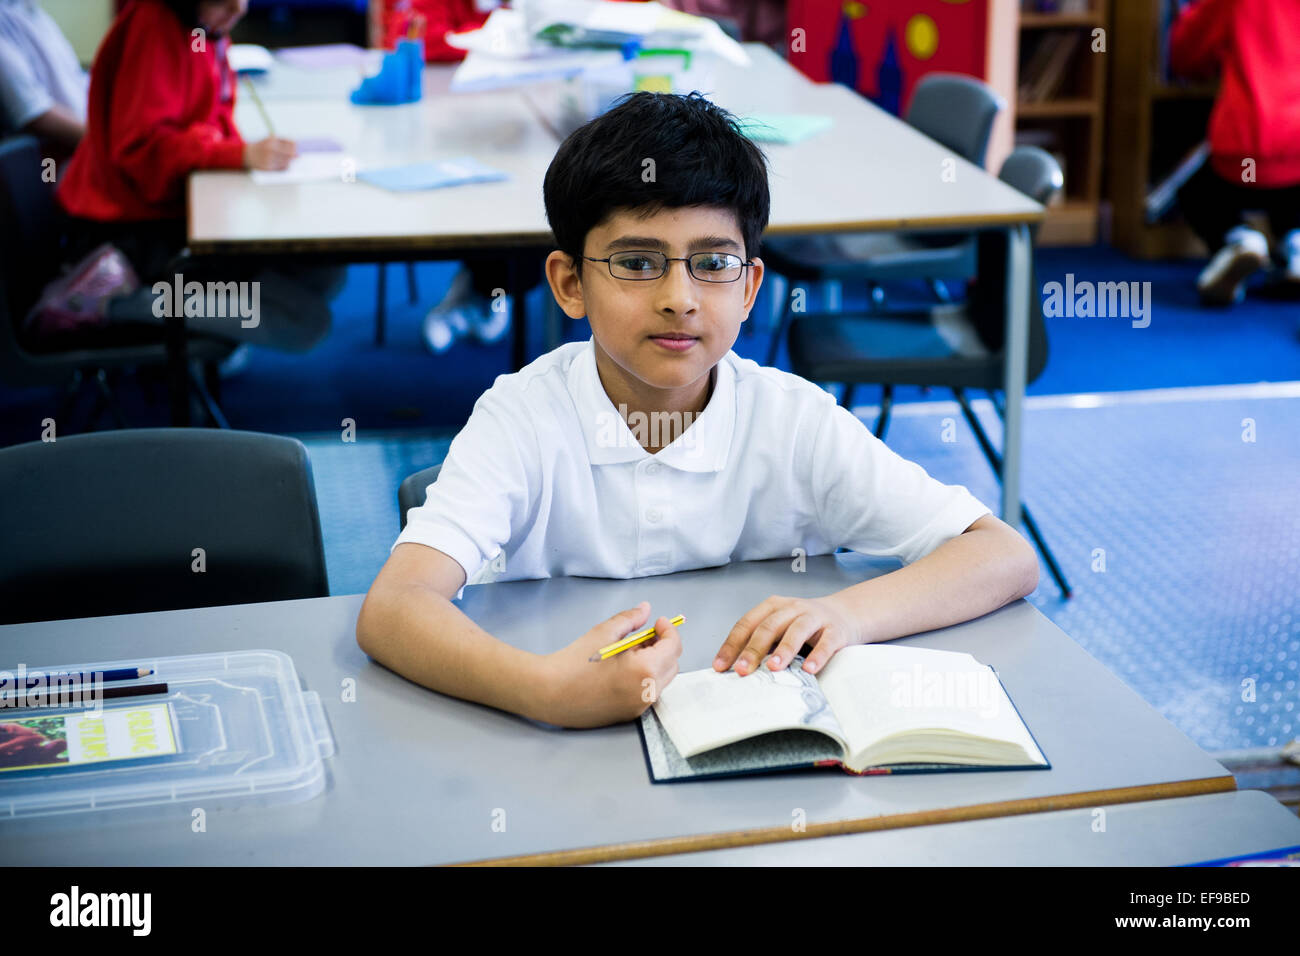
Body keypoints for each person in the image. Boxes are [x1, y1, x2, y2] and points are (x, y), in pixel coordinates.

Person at [356, 92, 1039, 730]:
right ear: (570, 284)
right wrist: (545, 690)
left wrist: (841, 613)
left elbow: (1003, 556)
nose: (680, 297)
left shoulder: (791, 419)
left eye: (713, 263)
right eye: (638, 262)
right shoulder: (524, 418)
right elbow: (394, 609)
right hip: (558, 742)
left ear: (750, 288)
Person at [51, 0, 334, 351]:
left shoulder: (205, 28)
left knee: (323, 268)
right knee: (303, 321)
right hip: (131, 238)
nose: (240, 9)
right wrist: (239, 155)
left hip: (173, 215)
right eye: (226, 2)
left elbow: (209, 116)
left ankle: (195, 337)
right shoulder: (153, 24)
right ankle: (113, 303)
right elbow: (144, 150)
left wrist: (241, 156)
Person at [1170, 0, 1300, 305]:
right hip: (1296, 148)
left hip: (1244, 152)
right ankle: (1295, 246)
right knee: (1289, 191)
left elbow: (1186, 58)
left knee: (1195, 191)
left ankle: (1239, 239)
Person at [0, 0, 89, 156]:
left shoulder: (30, 10)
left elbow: (75, 79)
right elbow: (36, 114)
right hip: (59, 157)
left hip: (88, 137)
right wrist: (104, 143)